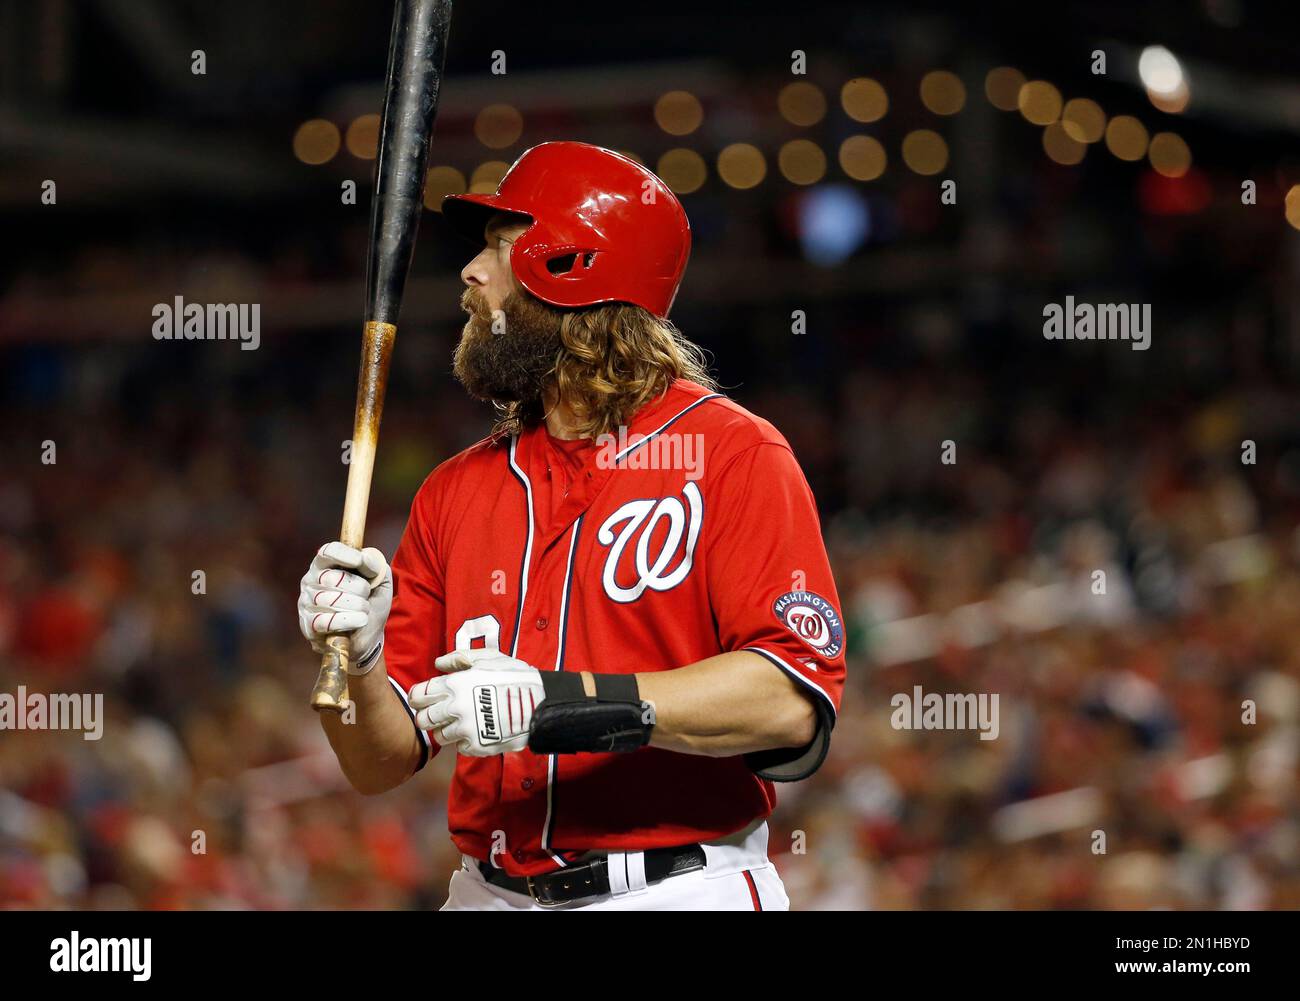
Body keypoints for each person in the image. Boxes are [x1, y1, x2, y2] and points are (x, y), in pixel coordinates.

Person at [297, 141, 846, 910]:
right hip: (486, 894)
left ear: (571, 267)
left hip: (673, 889)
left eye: (498, 246)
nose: (471, 273)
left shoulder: (732, 453)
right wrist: (359, 660)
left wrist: (558, 701)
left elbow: (789, 699)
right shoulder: (454, 490)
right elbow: (378, 762)